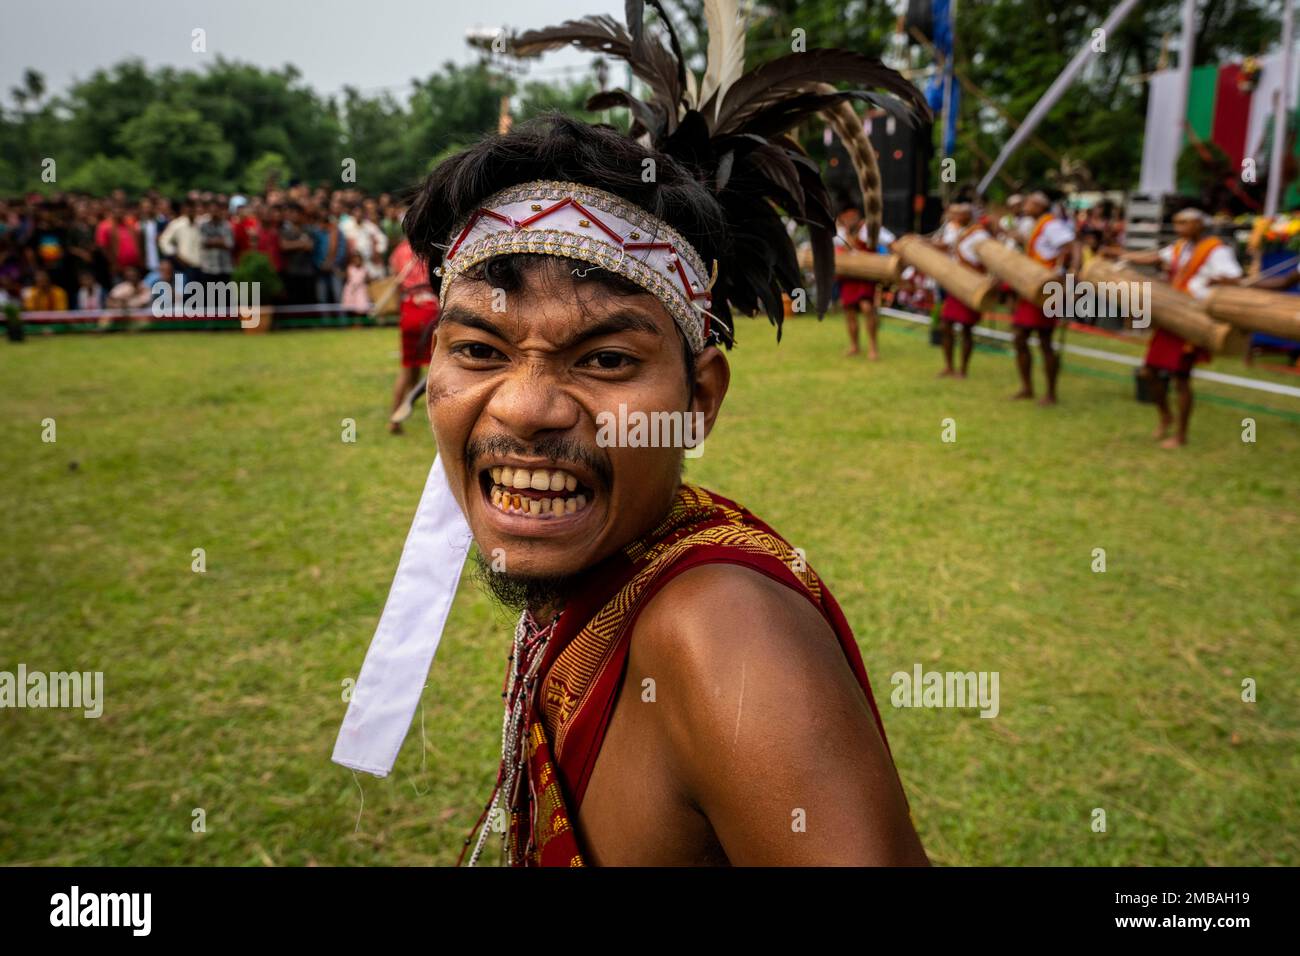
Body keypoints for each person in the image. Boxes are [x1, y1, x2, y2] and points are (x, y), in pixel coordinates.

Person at [334, 8, 931, 868]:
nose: (525, 408)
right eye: (478, 350)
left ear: (700, 398)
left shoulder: (724, 636)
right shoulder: (615, 574)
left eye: (606, 358)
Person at [1116, 208, 1243, 448]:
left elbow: (1235, 277)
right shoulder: (1180, 247)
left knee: (1181, 379)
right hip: (1172, 315)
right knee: (1149, 372)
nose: (1179, 227)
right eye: (1177, 222)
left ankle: (1181, 434)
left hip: (1192, 318)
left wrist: (1218, 282)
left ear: (1199, 224)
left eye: (1185, 223)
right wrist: (1123, 255)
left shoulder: (1217, 250)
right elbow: (1156, 257)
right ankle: (1166, 416)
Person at [1010, 191, 1076, 405]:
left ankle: (1050, 392)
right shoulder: (1036, 225)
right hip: (1031, 285)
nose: (1025, 205)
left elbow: (1068, 246)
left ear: (1040, 206)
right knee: (1020, 336)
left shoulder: (1051, 224)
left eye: (1029, 202)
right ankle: (1027, 387)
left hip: (1045, 286)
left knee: (1045, 340)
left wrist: (1062, 271)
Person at [385, 238, 439, 434]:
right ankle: (439, 424)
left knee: (408, 369)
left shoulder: (399, 250)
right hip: (430, 310)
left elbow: (394, 276)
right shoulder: (432, 247)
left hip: (409, 310)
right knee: (437, 371)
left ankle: (394, 420)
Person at [934, 203, 990, 378]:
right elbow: (945, 246)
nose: (955, 217)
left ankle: (963, 369)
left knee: (966, 328)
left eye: (960, 215)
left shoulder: (980, 234)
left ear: (968, 216)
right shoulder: (956, 231)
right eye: (954, 214)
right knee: (946, 324)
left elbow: (988, 258)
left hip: (971, 284)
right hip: (956, 283)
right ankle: (949, 366)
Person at [833, 202, 892, 359]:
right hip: (848, 276)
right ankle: (854, 346)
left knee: (867, 308)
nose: (850, 219)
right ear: (842, 217)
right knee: (849, 311)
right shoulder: (839, 231)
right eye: (846, 216)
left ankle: (873, 347)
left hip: (866, 275)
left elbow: (891, 242)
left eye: (853, 216)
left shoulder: (870, 228)